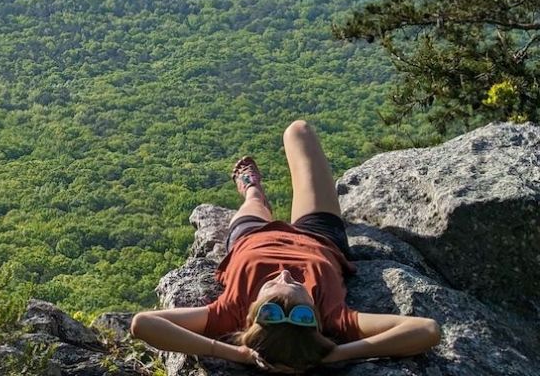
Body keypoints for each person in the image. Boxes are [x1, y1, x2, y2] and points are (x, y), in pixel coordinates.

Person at [129, 121, 441, 373]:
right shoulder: (334, 316)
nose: (284, 276)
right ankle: (254, 192)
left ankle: (252, 189)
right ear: (316, 320)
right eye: (298, 293)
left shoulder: (230, 311)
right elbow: (426, 330)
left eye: (274, 291)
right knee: (298, 131)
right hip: (319, 236)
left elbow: (143, 324)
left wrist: (233, 353)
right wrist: (334, 355)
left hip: (249, 238)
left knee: (254, 203)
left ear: (251, 316)